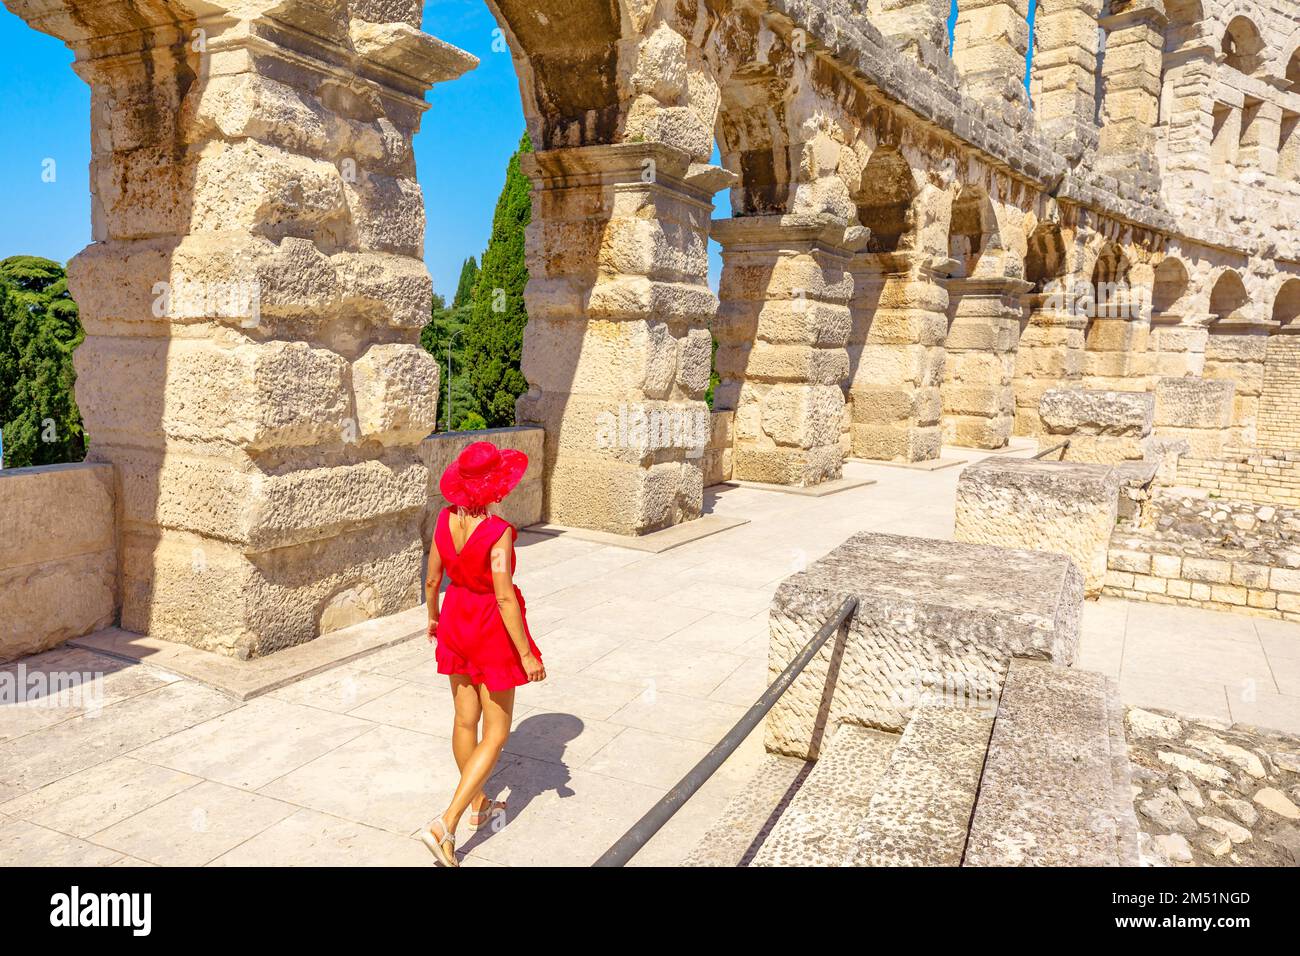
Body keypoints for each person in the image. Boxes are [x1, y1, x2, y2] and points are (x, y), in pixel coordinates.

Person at [418, 441, 546, 867]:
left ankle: (479, 804)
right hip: (490, 629)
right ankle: (446, 823)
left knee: (463, 721)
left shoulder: (443, 519)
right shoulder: (499, 533)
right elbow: (505, 597)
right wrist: (526, 655)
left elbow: (433, 580)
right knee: (496, 734)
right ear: (495, 487)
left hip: (455, 619)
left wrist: (434, 619)